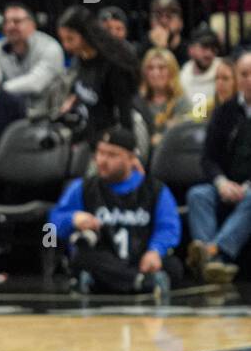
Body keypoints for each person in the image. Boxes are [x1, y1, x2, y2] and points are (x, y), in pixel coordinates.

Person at [50, 126, 182, 297]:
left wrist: (155, 251)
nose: (102, 160)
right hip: (103, 259)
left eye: (112, 155)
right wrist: (72, 219)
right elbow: (51, 226)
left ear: (131, 158)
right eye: (100, 153)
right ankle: (139, 282)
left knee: (174, 266)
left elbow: (169, 228)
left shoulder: (155, 189)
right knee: (81, 256)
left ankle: (115, 281)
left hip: (141, 259)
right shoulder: (82, 187)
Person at [186, 51, 251, 283]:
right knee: (197, 194)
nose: (221, 84)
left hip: (247, 187)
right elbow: (193, 132)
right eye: (218, 79)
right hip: (225, 182)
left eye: (226, 79)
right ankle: (211, 261)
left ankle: (213, 253)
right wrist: (222, 182)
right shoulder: (205, 103)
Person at [56, 5, 142, 147]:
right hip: (86, 137)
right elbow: (84, 91)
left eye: (70, 39)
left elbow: (125, 117)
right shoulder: (80, 59)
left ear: (85, 35)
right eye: (63, 39)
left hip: (109, 143)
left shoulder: (114, 66)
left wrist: (126, 150)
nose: (66, 45)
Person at [0, 2, 66, 116]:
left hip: (46, 115)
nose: (10, 26)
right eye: (7, 22)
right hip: (10, 115)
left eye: (17, 21)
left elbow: (36, 83)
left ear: (32, 25)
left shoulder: (50, 47)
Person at [136, 47, 194, 150]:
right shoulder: (138, 101)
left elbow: (186, 136)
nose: (155, 73)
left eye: (161, 68)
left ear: (172, 71)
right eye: (150, 68)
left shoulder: (182, 101)